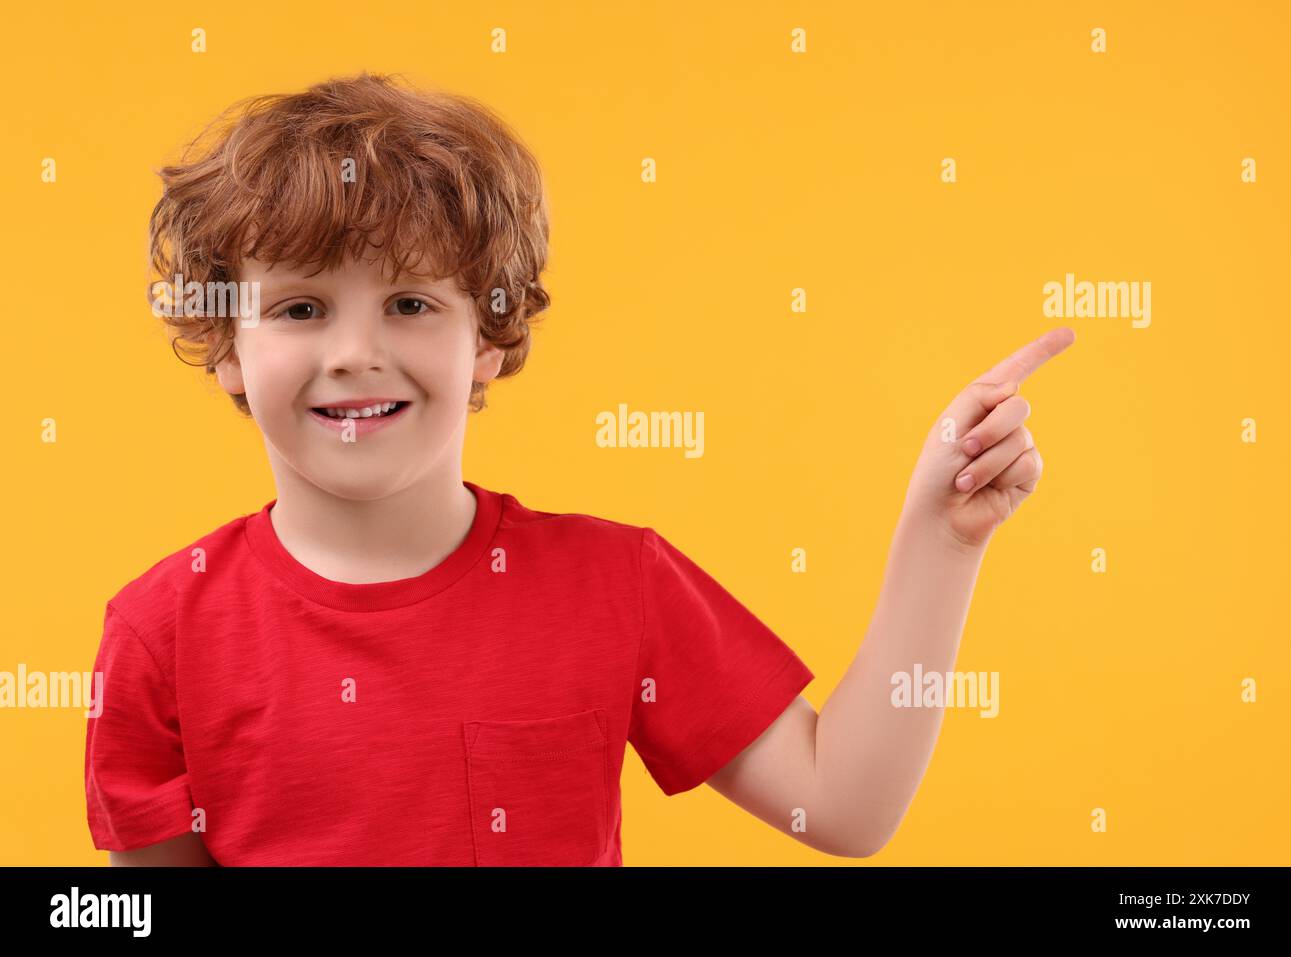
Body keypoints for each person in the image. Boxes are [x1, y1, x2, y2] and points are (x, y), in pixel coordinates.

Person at [86, 72, 1075, 866]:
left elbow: (844, 809)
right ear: (226, 346)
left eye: (411, 304)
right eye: (301, 308)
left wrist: (941, 539)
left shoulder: (618, 586)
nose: (354, 352)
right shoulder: (159, 630)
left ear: (489, 337)